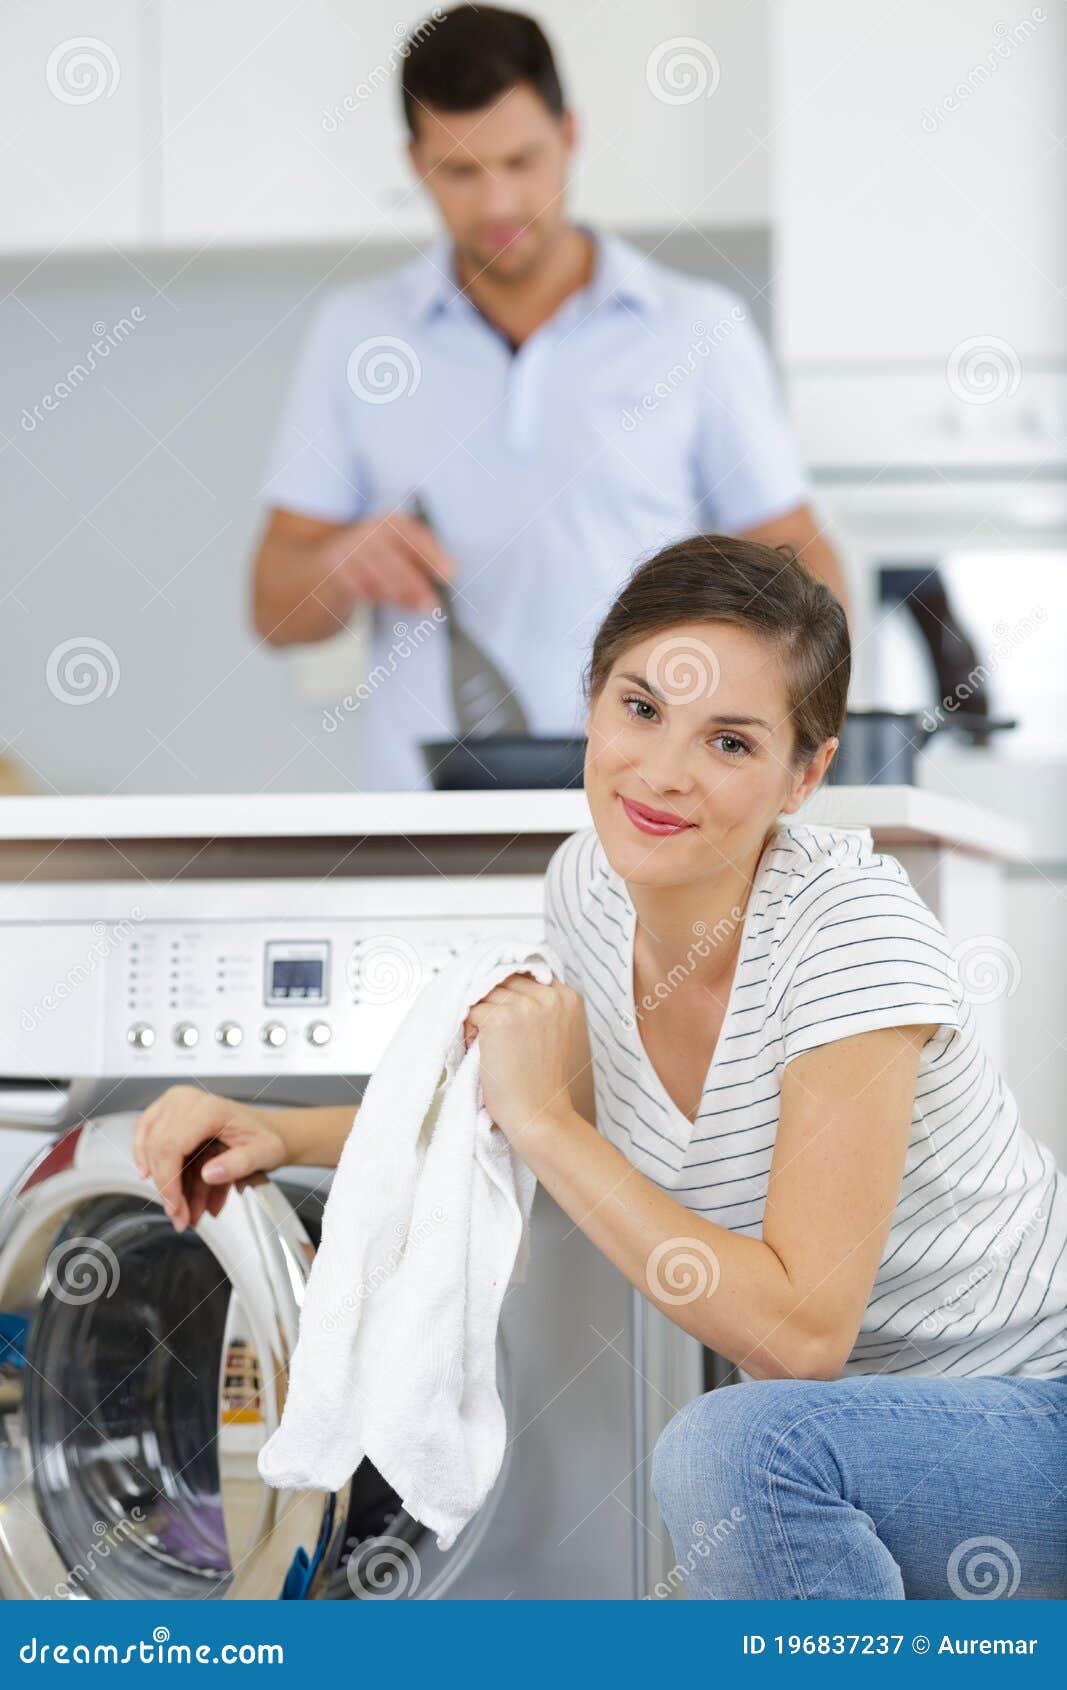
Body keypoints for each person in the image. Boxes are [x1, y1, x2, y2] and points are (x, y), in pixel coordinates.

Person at [138, 531, 1067, 1600]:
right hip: (866, 1436)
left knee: (733, 1459)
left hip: (1033, 1402)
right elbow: (556, 1100)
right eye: (638, 708)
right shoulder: (590, 883)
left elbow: (799, 1335)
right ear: (589, 702)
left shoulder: (843, 931)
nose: (662, 773)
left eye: (728, 742)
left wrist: (546, 1127)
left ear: (804, 774)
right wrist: (281, 1132)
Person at [250, 2, 848, 791]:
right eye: (460, 171)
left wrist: (777, 753)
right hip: (422, 822)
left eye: (520, 162)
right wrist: (337, 563)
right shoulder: (356, 335)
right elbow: (275, 608)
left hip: (650, 809)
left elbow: (801, 567)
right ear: (416, 164)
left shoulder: (698, 329)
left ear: (568, 137)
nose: (496, 203)